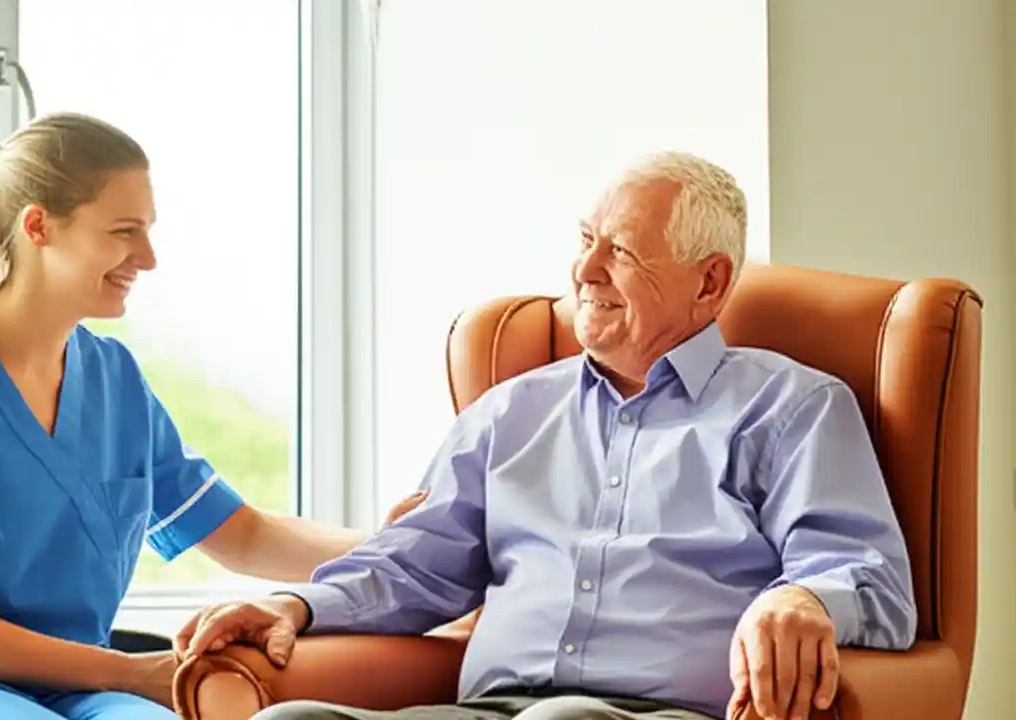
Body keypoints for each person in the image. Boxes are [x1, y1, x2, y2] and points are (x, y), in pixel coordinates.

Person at [178, 152, 918, 720]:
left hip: (662, 714)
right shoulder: (511, 413)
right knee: (295, 718)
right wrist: (295, 606)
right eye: (586, 240)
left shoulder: (790, 408)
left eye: (621, 252)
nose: (584, 270)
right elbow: (414, 567)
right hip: (492, 708)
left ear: (709, 280)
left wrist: (807, 602)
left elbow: (871, 581)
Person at [0, 112, 424, 720]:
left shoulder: (114, 380)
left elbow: (242, 535)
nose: (148, 257)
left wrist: (401, 544)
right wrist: (136, 672)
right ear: (39, 227)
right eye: (123, 231)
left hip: (75, 686)